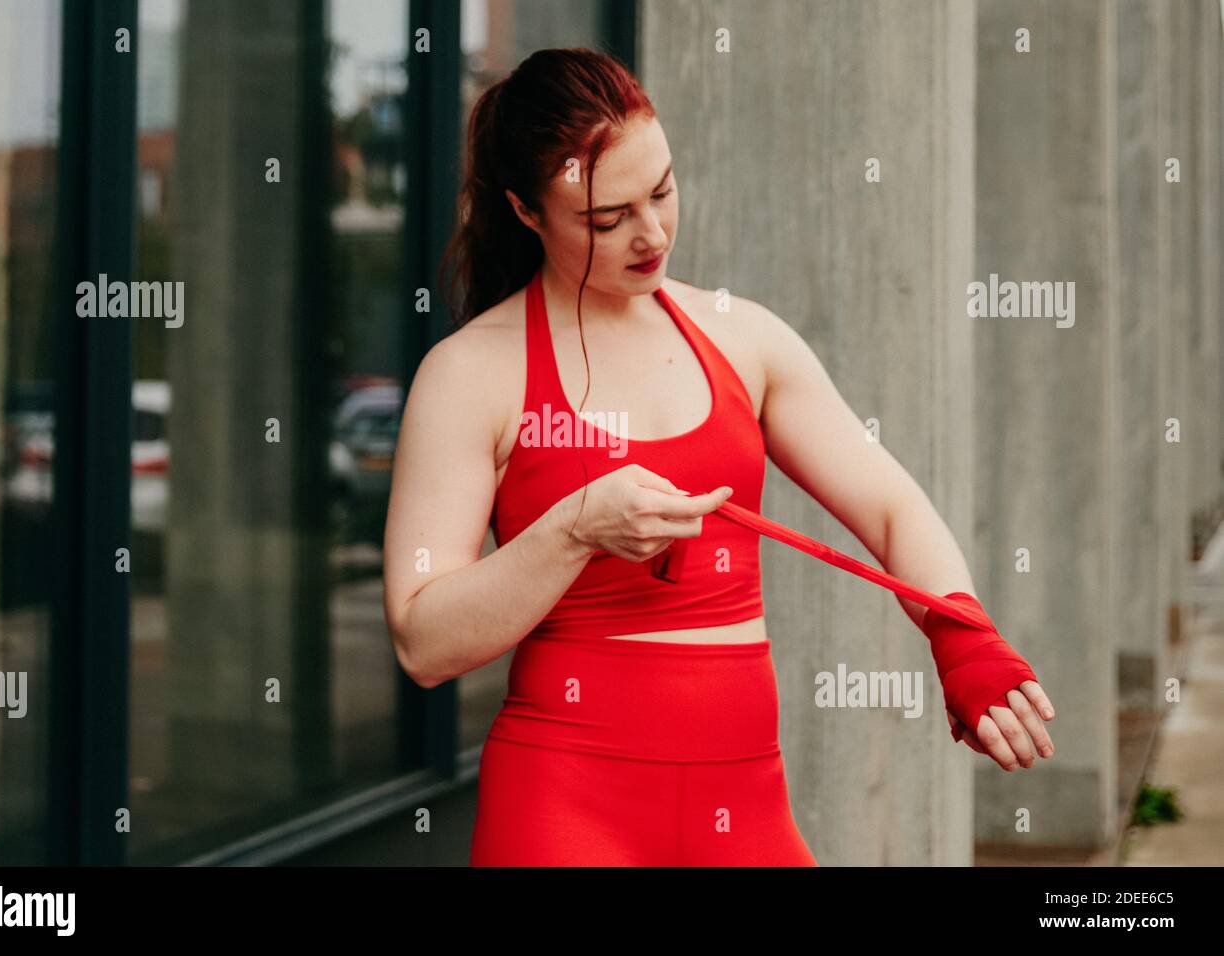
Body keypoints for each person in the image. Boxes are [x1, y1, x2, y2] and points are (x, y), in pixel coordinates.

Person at [382, 48, 1055, 866]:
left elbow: (891, 507)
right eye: (608, 218)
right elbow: (422, 641)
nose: (652, 233)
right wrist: (574, 530)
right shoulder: (471, 374)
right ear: (527, 212)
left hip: (746, 801)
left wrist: (963, 638)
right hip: (564, 805)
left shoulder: (745, 337)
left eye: (662, 191)